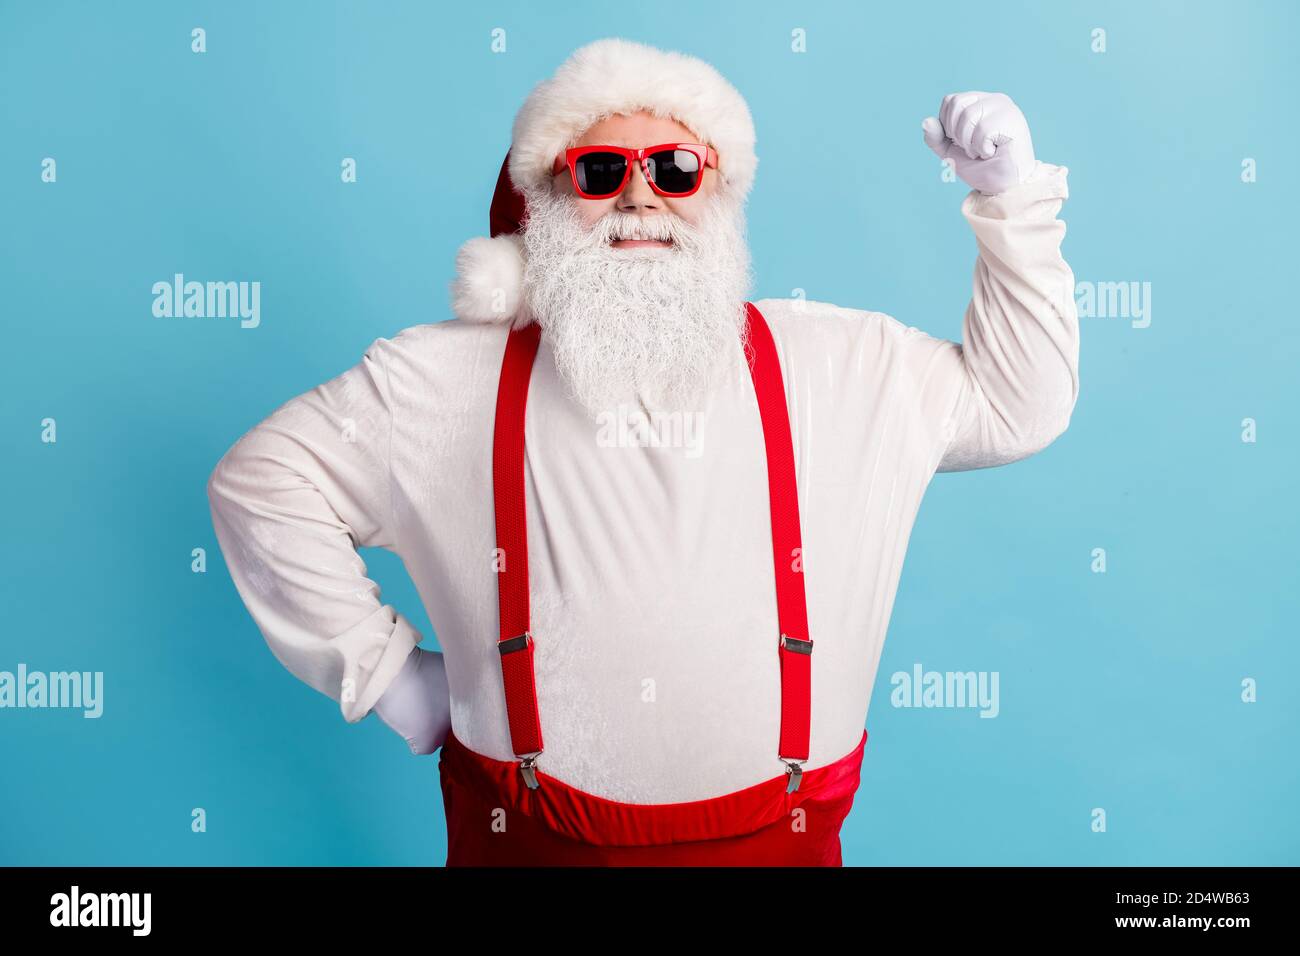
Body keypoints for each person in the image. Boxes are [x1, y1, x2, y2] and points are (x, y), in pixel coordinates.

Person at [207, 37, 1079, 866]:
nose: (640, 197)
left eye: (674, 168)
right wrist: (391, 677)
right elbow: (261, 483)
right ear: (543, 203)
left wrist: (1012, 201)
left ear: (721, 194)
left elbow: (1017, 406)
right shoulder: (443, 380)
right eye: (599, 173)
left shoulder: (842, 364)